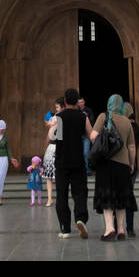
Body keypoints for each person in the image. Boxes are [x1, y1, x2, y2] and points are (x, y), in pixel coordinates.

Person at [90, 93, 136, 241]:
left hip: (106, 163)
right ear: (121, 105)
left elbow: (92, 136)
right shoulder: (127, 121)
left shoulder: (104, 117)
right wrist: (132, 163)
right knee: (121, 197)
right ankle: (121, 230)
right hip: (123, 164)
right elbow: (131, 146)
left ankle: (110, 229)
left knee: (107, 196)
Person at [54, 88, 90, 238]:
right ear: (77, 101)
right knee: (80, 192)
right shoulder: (83, 117)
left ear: (65, 101)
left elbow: (59, 139)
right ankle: (80, 218)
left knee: (61, 194)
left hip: (62, 161)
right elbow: (90, 134)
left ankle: (65, 228)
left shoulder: (60, 117)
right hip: (78, 161)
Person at [123, 102, 139, 237]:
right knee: (129, 195)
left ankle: (117, 227)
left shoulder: (121, 125)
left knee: (118, 195)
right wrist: (132, 163)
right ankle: (130, 227)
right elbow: (135, 145)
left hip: (121, 164)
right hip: (131, 165)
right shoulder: (134, 126)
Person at [41, 101, 62, 206]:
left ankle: (59, 198)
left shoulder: (62, 120)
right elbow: (48, 138)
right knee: (49, 175)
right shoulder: (54, 120)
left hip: (59, 148)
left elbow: (62, 137)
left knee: (59, 175)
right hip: (51, 148)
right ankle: (49, 198)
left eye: (57, 107)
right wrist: (51, 127)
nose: (56, 110)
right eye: (56, 108)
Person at [78, 95, 95, 173]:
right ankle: (81, 169)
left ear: (84, 102)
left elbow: (92, 123)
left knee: (86, 152)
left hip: (86, 135)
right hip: (78, 135)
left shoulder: (89, 110)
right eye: (79, 102)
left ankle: (87, 169)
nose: (81, 104)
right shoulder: (76, 111)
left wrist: (86, 116)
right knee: (79, 153)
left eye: (82, 102)